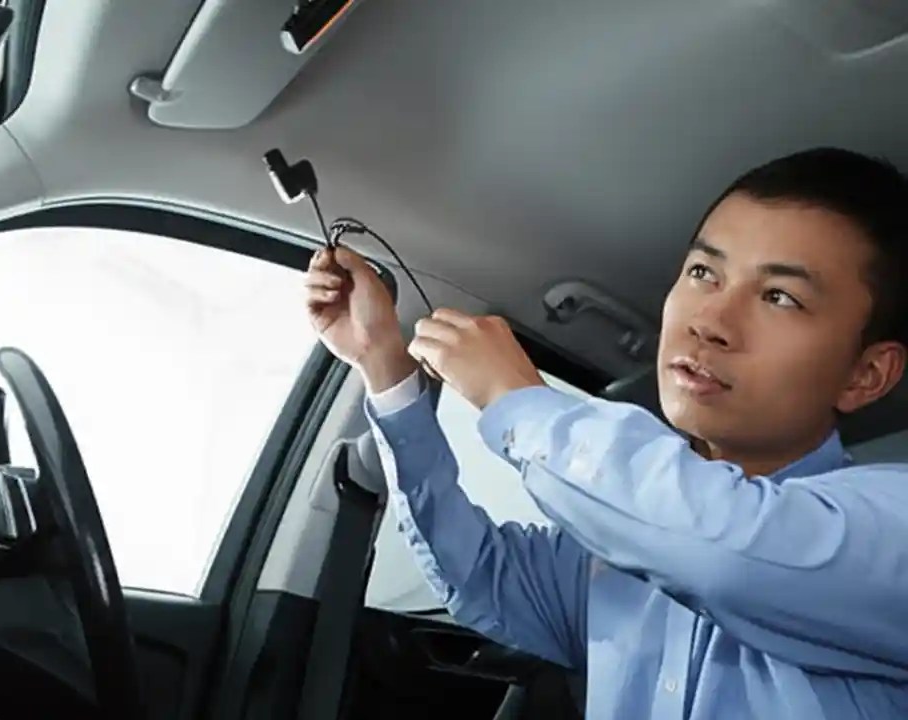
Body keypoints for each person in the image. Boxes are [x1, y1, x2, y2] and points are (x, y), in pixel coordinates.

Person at [304, 147, 908, 719]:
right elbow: (481, 573)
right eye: (703, 271)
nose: (711, 321)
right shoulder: (614, 550)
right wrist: (383, 364)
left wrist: (518, 400)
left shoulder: (890, 528)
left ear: (866, 374)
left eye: (779, 296)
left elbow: (728, 552)